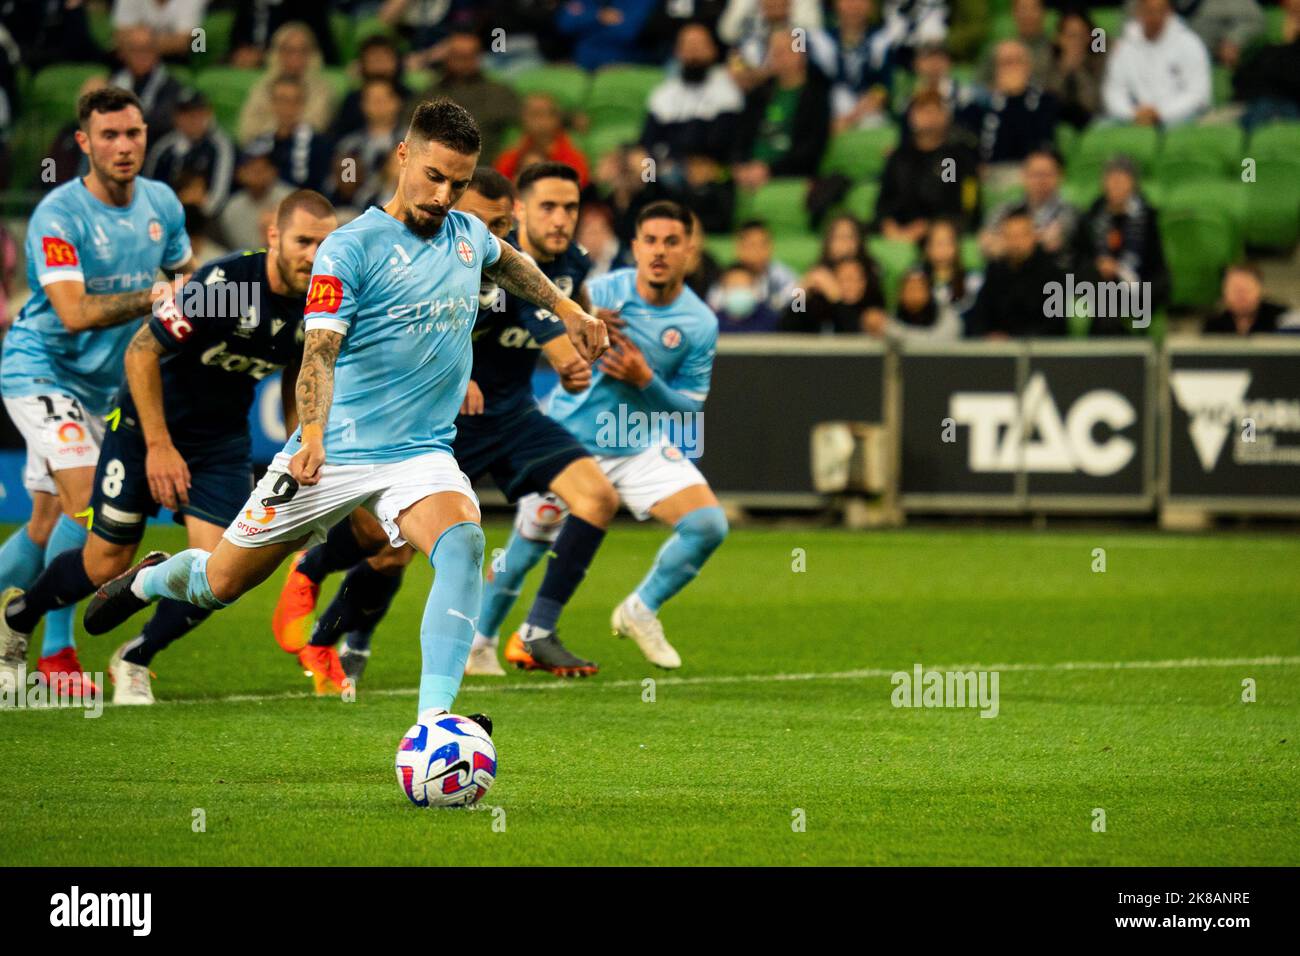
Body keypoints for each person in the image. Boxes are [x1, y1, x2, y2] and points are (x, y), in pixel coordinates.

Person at [78, 101, 607, 736]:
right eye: (434, 177)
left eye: (459, 184)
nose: (444, 196)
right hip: (333, 452)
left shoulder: (466, 235)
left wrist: (568, 308)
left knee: (464, 543)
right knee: (217, 583)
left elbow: (506, 260)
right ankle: (152, 580)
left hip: (421, 454)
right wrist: (316, 435)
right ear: (404, 156)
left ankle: (435, 724)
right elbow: (319, 355)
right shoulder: (349, 249)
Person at [272, 163, 622, 685]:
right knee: (388, 550)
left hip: (515, 415)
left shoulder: (556, 267)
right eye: (549, 206)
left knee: (597, 497)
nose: (562, 219)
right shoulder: (441, 261)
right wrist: (461, 374)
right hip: (444, 424)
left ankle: (536, 630)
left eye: (571, 207)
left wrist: (577, 358)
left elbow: (562, 331)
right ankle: (333, 620)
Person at [0, 191, 335, 705]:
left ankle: (135, 656)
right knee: (104, 563)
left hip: (219, 442)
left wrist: (297, 443)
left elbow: (298, 369)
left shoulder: (319, 304)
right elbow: (140, 353)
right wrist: (158, 446)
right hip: (142, 428)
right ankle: (18, 618)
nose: (313, 254)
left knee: (221, 573)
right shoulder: (224, 288)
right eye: (302, 241)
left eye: (323, 243)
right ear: (273, 236)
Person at [0, 87, 196, 695]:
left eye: (133, 133)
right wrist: (153, 296)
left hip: (108, 389)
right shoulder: (58, 215)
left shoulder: (163, 202)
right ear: (84, 142)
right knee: (88, 505)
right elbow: (76, 313)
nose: (123, 146)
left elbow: (186, 281)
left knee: (43, 525)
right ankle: (57, 651)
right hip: (43, 371)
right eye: (108, 135)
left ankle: (23, 625)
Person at [480, 200, 727, 670]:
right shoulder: (597, 294)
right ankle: (481, 643)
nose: (659, 252)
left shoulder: (700, 322)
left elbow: (690, 407)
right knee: (528, 546)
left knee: (707, 525)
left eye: (671, 242)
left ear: (689, 252)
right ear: (634, 246)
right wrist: (581, 321)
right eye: (650, 241)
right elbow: (530, 327)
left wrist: (645, 380)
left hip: (639, 443)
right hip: (570, 443)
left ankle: (640, 609)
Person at [1070, 155, 1169, 333]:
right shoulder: (1091, 217)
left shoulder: (1148, 218)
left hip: (1137, 287)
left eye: (1122, 179)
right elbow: (1079, 259)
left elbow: (1158, 266)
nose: (1116, 185)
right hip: (1100, 287)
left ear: (1133, 184)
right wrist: (1099, 266)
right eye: (1111, 179)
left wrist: (1121, 271)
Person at [874, 90, 981, 240]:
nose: (927, 117)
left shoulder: (950, 159)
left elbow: (952, 203)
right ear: (911, 117)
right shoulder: (899, 157)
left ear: (945, 116)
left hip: (938, 232)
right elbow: (884, 200)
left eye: (933, 110)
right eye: (921, 110)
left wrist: (926, 226)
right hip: (898, 230)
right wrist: (888, 224)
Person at [732, 28, 832, 187]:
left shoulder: (816, 96)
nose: (779, 57)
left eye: (785, 51)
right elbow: (741, 135)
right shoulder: (759, 93)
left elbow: (812, 147)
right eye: (775, 52)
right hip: (751, 170)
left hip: (789, 173)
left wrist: (770, 170)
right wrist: (740, 165)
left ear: (800, 55)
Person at [1102, 0, 1211, 127]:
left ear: (1169, 13)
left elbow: (1197, 95)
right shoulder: (1124, 46)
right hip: (1136, 117)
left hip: (1180, 118)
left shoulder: (1190, 43)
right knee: (1101, 128)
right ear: (1138, 12)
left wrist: (1160, 113)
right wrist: (1133, 114)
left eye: (1160, 11)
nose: (1154, 17)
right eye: (1149, 11)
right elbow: (1114, 90)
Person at [964, 206, 1065, 338]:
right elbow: (980, 314)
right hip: (997, 351)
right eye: (1010, 236)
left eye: (1021, 235)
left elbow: (1055, 326)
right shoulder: (995, 270)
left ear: (1034, 236)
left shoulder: (1052, 273)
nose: (1016, 242)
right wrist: (987, 335)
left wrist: (1013, 339)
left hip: (1038, 351)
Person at [424, 29, 520, 163]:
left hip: (483, 170)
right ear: (447, 57)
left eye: (468, 56)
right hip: (436, 169)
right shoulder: (429, 93)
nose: (462, 62)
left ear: (478, 58)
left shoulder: (499, 92)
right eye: (457, 56)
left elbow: (526, 124)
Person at [144, 87, 236, 221]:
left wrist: (194, 217)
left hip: (206, 219)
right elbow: (149, 188)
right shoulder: (164, 147)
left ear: (208, 113)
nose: (191, 119)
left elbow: (218, 198)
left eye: (197, 113)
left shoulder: (220, 146)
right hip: (165, 217)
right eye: (185, 113)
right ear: (175, 117)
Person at [237, 21, 336, 145]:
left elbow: (313, 126)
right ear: (277, 53)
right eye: (289, 50)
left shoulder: (322, 89)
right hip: (262, 149)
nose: (296, 57)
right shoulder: (262, 86)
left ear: (312, 54)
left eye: (303, 51)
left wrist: (274, 128)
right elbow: (247, 130)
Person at [246, 75, 331, 190]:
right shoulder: (257, 144)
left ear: (303, 105)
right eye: (282, 100)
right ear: (272, 103)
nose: (287, 107)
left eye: (294, 101)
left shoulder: (320, 145)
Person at [495, 92, 591, 187]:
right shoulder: (511, 155)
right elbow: (498, 187)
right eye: (531, 114)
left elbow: (577, 187)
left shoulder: (573, 157)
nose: (537, 121)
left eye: (541, 114)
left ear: (556, 119)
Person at [1044, 8, 1106, 130]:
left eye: (1081, 36)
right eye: (1070, 36)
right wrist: (1064, 70)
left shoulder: (1098, 62)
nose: (1076, 42)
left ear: (1090, 38)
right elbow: (1045, 102)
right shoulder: (1047, 61)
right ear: (1059, 38)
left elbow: (1093, 105)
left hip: (1092, 124)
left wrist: (1079, 71)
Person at [1202, 262, 1298, 335]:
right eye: (1235, 289)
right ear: (1224, 293)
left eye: (1246, 289)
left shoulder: (1284, 320)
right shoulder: (1213, 326)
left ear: (1261, 289)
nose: (1241, 295)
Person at [714, 264, 781, 331]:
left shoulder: (772, 320)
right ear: (722, 290)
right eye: (734, 286)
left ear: (755, 288)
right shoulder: (714, 323)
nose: (740, 291)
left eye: (745, 286)